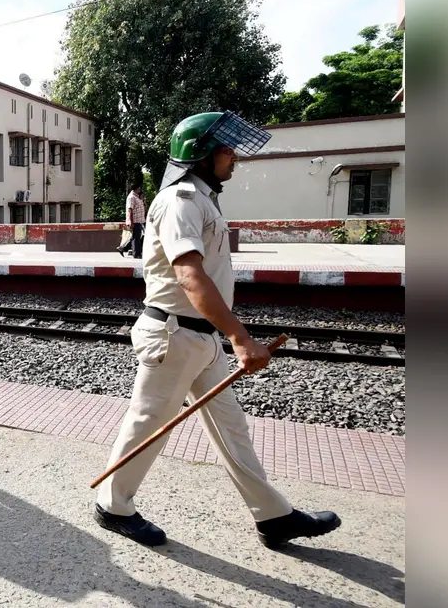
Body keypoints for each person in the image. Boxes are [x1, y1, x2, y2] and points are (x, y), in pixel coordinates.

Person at [92, 111, 341, 549]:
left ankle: (272, 515)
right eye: (226, 150)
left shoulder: (203, 199)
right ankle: (113, 507)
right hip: (173, 336)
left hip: (201, 337)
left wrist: (223, 334)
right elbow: (190, 275)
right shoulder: (180, 201)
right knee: (150, 423)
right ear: (200, 153)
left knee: (232, 428)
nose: (234, 159)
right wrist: (241, 337)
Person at [117, 183, 146, 259]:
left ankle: (123, 248)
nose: (140, 190)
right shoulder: (131, 197)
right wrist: (131, 222)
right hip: (135, 221)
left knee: (137, 237)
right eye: (139, 188)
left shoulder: (137, 197)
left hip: (140, 220)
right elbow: (130, 210)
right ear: (136, 188)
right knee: (136, 238)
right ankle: (136, 254)